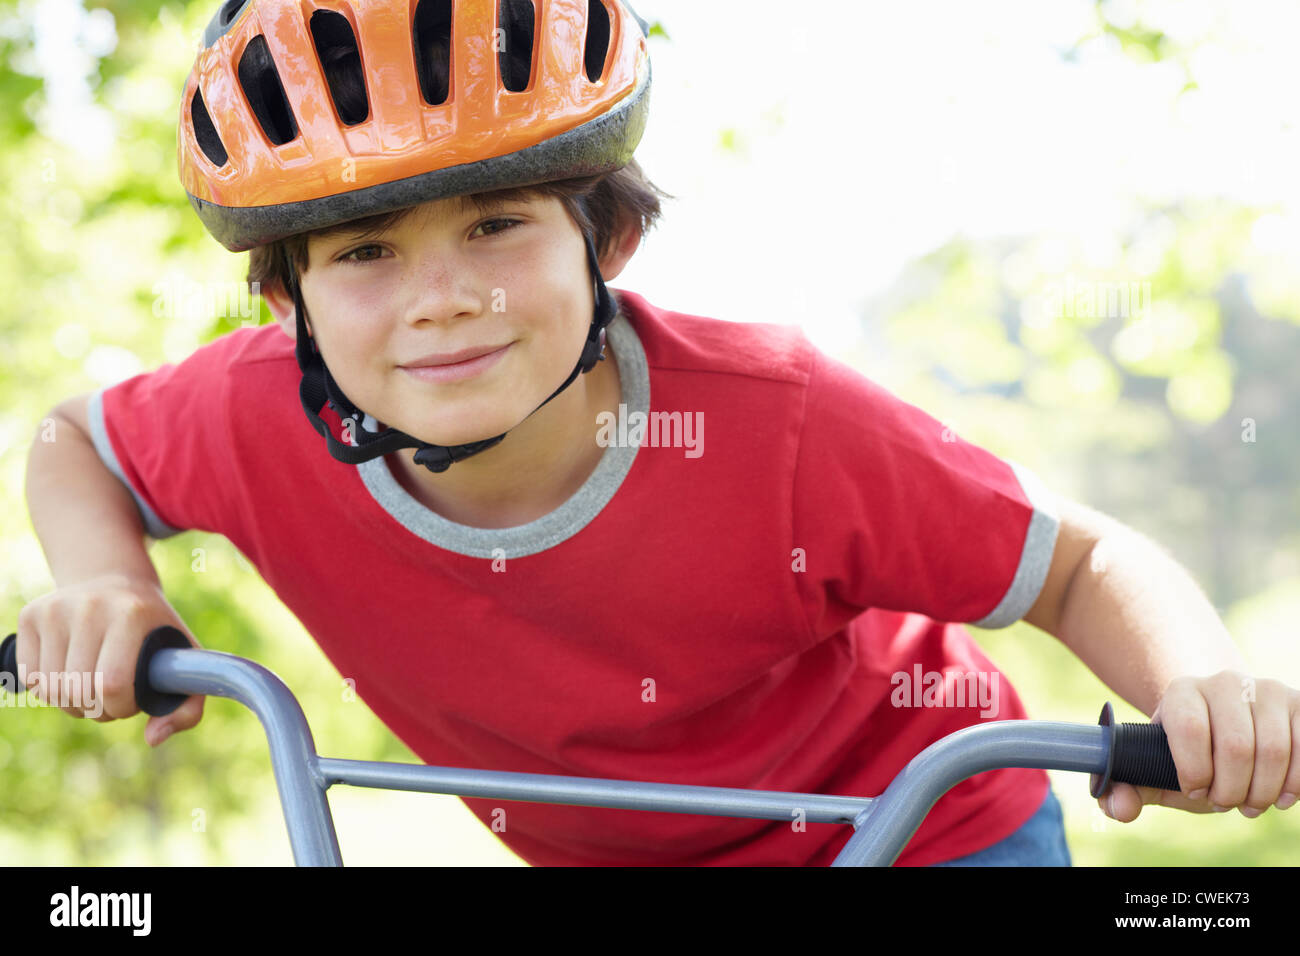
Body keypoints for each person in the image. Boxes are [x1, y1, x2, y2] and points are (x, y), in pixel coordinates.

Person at [20, 0, 1297, 867]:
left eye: (496, 223)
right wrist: (107, 583)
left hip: (916, 828)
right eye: (362, 251)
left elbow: (1077, 560)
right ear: (282, 299)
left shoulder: (784, 425)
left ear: (609, 240)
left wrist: (1199, 686)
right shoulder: (247, 420)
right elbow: (72, 439)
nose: (442, 296)